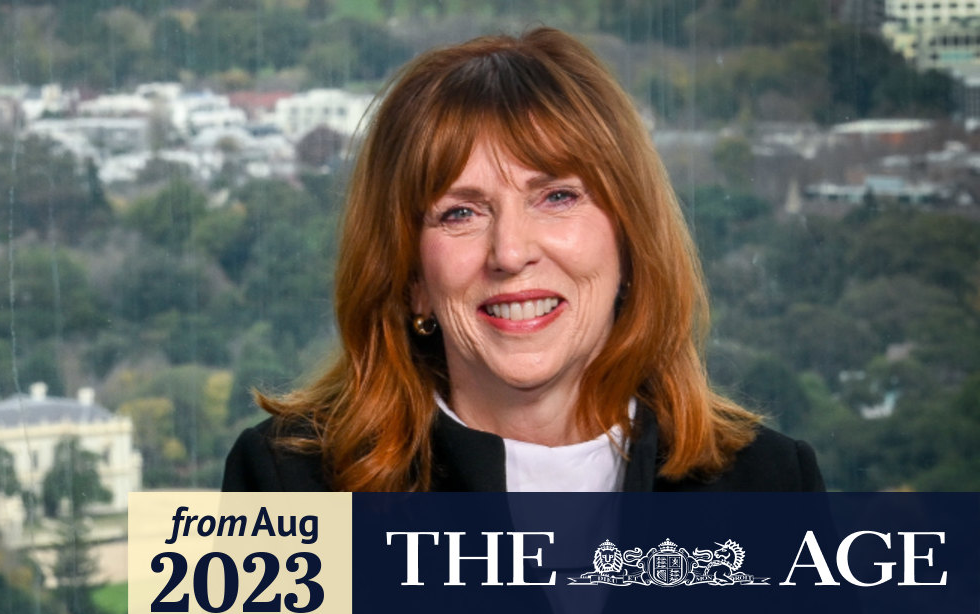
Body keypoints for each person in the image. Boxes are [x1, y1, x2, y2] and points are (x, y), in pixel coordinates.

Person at [222, 27, 823, 493]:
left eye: (557, 197)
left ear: (629, 237)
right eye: (460, 212)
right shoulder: (284, 482)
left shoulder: (770, 483)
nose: (510, 253)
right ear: (411, 279)